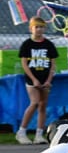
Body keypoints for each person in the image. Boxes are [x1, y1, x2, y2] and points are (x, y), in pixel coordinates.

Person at [17, 16, 57, 144]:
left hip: (45, 79)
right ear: (31, 29)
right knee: (34, 102)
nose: (39, 29)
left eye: (41, 27)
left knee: (42, 105)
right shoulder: (27, 45)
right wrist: (34, 80)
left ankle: (39, 134)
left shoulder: (49, 44)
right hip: (32, 80)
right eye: (36, 27)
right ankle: (21, 132)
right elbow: (24, 64)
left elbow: (53, 64)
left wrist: (48, 80)